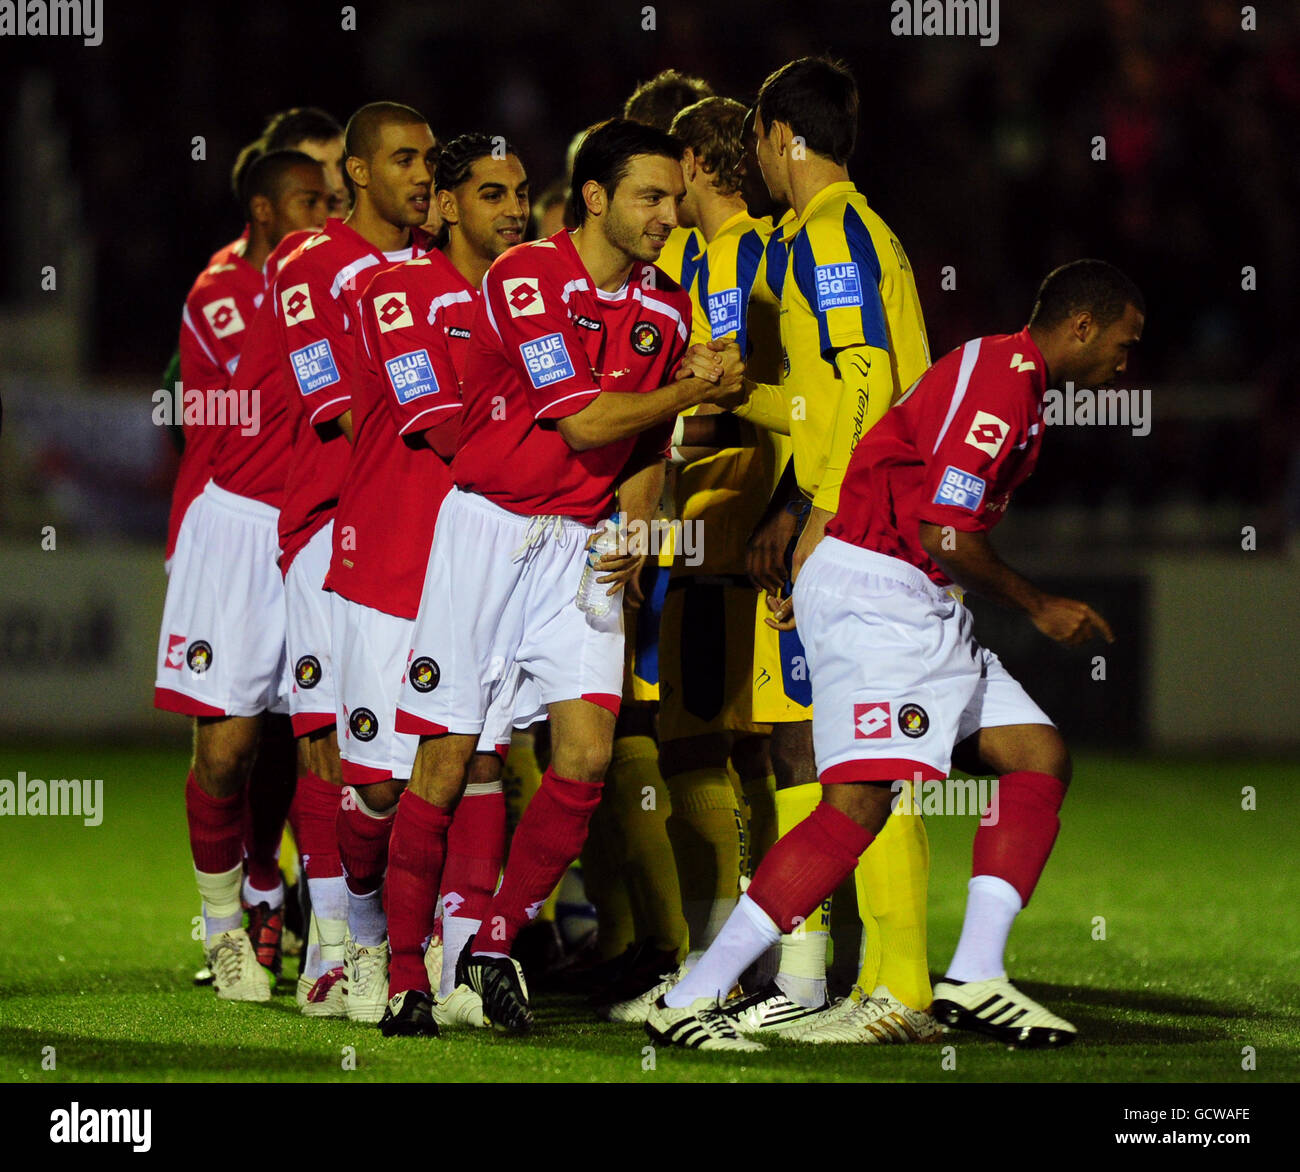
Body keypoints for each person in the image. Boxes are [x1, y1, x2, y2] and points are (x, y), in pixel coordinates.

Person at [648, 259, 1141, 1051]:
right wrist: (1038, 604)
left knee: (1038, 755)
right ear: (1083, 326)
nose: (1126, 360)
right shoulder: (1003, 383)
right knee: (857, 805)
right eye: (1125, 341)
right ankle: (693, 997)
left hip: (913, 595)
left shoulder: (1012, 379)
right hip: (880, 595)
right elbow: (945, 530)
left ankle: (975, 975)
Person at [393, 117, 745, 1032]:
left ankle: (491, 947)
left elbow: (642, 443)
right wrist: (695, 389)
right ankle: (400, 978)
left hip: (582, 544)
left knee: (586, 756)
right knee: (446, 761)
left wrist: (639, 524)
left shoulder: (668, 309)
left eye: (674, 198)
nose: (669, 215)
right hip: (488, 532)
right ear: (595, 197)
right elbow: (583, 421)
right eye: (650, 197)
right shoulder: (526, 277)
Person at [722, 57, 936, 1039]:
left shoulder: (831, 232)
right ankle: (885, 986)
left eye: (758, 142)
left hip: (866, 524)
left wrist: (818, 513)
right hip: (880, 515)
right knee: (864, 753)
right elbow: (824, 397)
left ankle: (901, 989)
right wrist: (735, 393)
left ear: (780, 134)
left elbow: (861, 377)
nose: (757, 163)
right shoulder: (855, 230)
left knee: (873, 751)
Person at [318, 132, 534, 1034]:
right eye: (492, 194)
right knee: (379, 786)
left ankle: (457, 959)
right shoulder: (398, 290)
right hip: (394, 561)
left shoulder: (529, 300)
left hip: (482, 568)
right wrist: (555, 454)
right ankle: (364, 939)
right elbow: (441, 425)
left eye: (522, 192)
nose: (516, 210)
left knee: (480, 762)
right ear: (445, 207)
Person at [154, 151, 332, 1001]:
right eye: (310, 199)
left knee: (318, 738)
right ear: (265, 209)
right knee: (228, 748)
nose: (324, 214)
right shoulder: (225, 291)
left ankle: (331, 939)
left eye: (332, 199)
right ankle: (228, 921)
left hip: (317, 527)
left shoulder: (340, 277)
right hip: (237, 531)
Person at [271, 102, 436, 1017]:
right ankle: (330, 949)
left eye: (428, 159)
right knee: (331, 740)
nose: (423, 174)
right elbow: (336, 409)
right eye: (403, 159)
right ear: (358, 173)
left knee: (426, 746)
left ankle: (415, 939)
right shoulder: (309, 264)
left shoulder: (435, 268)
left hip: (422, 529)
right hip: (331, 526)